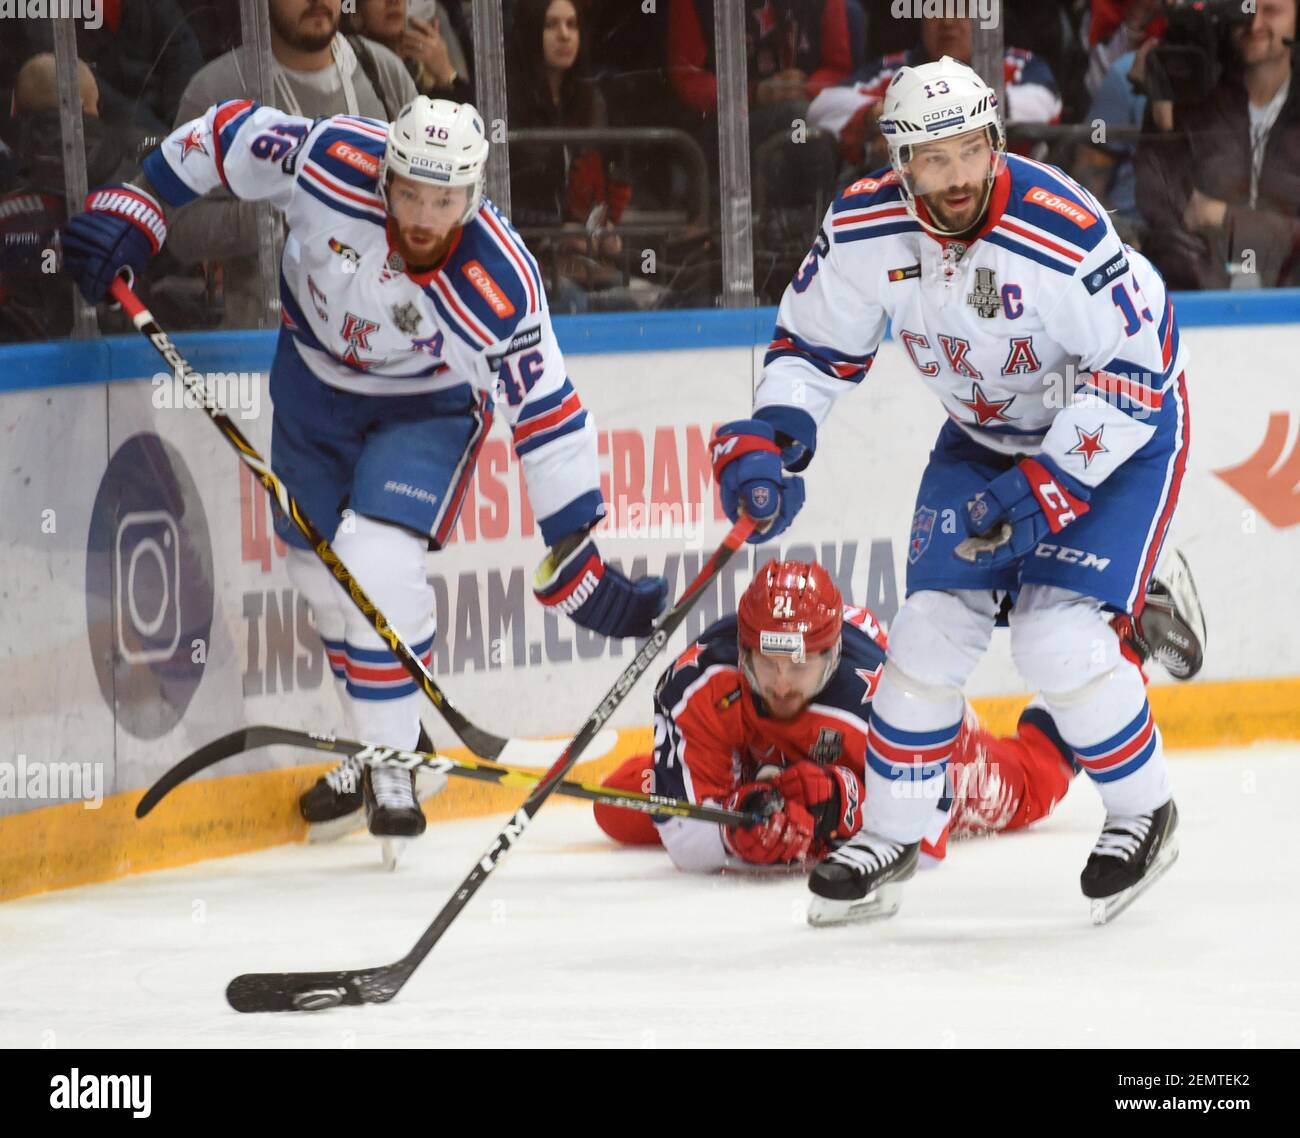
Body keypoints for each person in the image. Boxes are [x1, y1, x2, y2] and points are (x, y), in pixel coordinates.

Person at [61, 95, 669, 841]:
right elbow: (229, 135)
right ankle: (386, 737)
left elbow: (545, 411)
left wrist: (575, 548)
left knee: (373, 561)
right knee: (320, 581)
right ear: (385, 174)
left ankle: (391, 764)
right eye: (409, 190)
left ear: (473, 196)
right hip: (314, 389)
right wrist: (144, 199)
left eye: (444, 200)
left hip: (428, 409)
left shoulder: (499, 283)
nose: (421, 214)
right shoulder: (331, 162)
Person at [709, 57, 1189, 924]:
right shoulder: (863, 229)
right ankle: (894, 832)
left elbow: (1135, 374)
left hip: (1117, 436)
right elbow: (813, 348)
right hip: (983, 439)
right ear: (900, 165)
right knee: (924, 639)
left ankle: (1143, 810)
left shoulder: (1060, 228)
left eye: (971, 149)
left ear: (996, 141)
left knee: (1057, 641)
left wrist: (1048, 488)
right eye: (934, 159)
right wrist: (771, 435)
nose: (959, 175)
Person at [595, 557, 1205, 897]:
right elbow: (684, 837)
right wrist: (741, 835)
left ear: (831, 657)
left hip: (900, 752)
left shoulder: (887, 698)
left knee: (1030, 786)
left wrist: (839, 806)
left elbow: (928, 841)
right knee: (617, 808)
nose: (782, 683)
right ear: (744, 650)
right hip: (758, 762)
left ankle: (1122, 644)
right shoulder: (696, 683)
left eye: (800, 665)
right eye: (767, 663)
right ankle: (775, 782)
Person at [165, 0, 418, 329]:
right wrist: (281, 213)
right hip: (268, 339)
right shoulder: (217, 90)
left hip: (383, 331)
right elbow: (180, 228)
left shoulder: (383, 71)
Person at [1134, 0, 1300, 289]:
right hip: (1204, 305)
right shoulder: (1196, 99)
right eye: (1244, 12)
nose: (1255, 25)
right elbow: (1161, 210)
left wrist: (1224, 217)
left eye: (1270, 11)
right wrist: (1163, 121)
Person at [808, 15, 1062, 175]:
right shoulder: (896, 68)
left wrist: (912, 121)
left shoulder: (1019, 65)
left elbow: (1043, 105)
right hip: (904, 210)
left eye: (961, 8)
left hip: (1008, 206)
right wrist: (878, 114)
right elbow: (820, 106)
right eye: (935, 8)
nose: (947, 21)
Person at [348, 0, 472, 101]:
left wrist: (446, 74)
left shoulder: (423, 72)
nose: (394, 1)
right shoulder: (353, 74)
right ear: (356, 15)